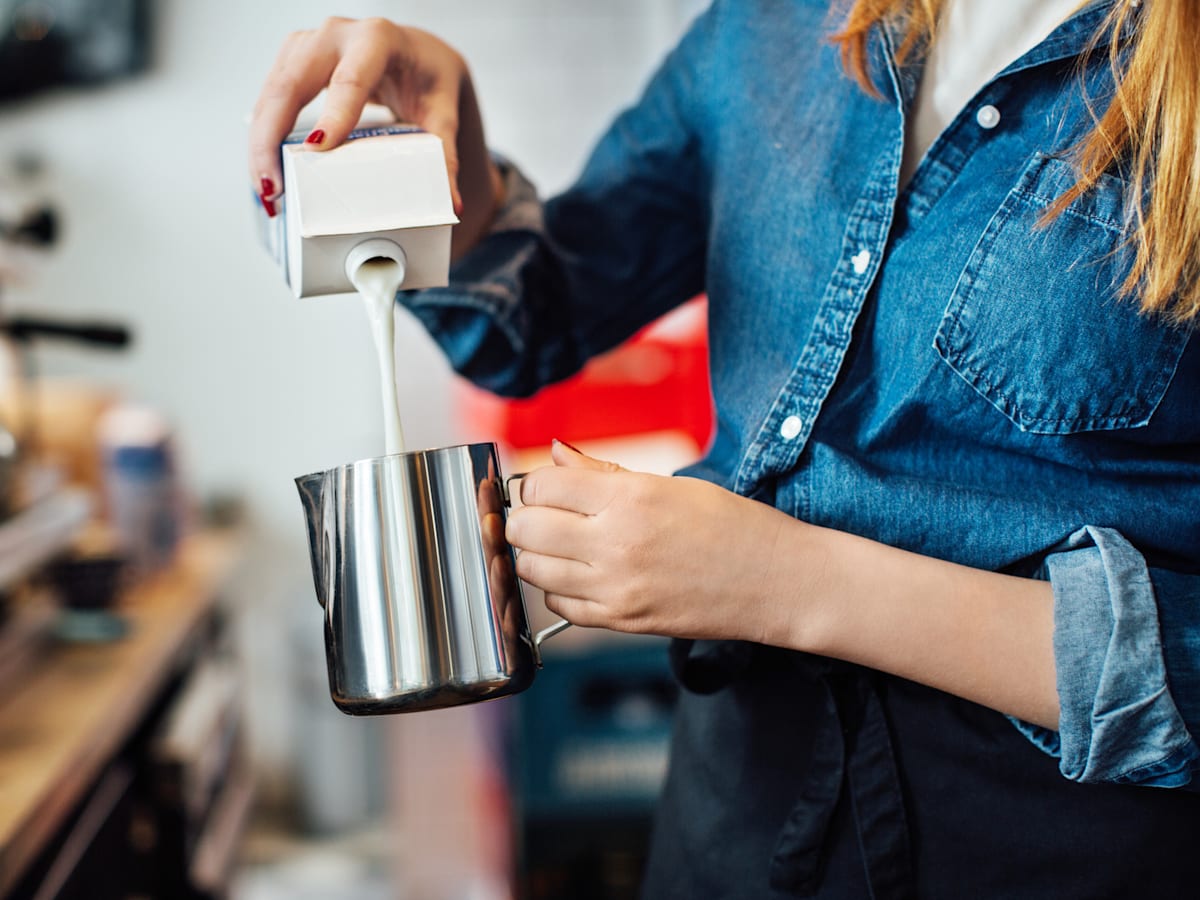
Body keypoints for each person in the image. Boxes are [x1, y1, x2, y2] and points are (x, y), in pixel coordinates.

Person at [249, 1, 1200, 896]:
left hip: (1051, 847)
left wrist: (782, 580)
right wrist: (451, 167)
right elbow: (538, 314)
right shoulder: (775, 25)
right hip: (736, 807)